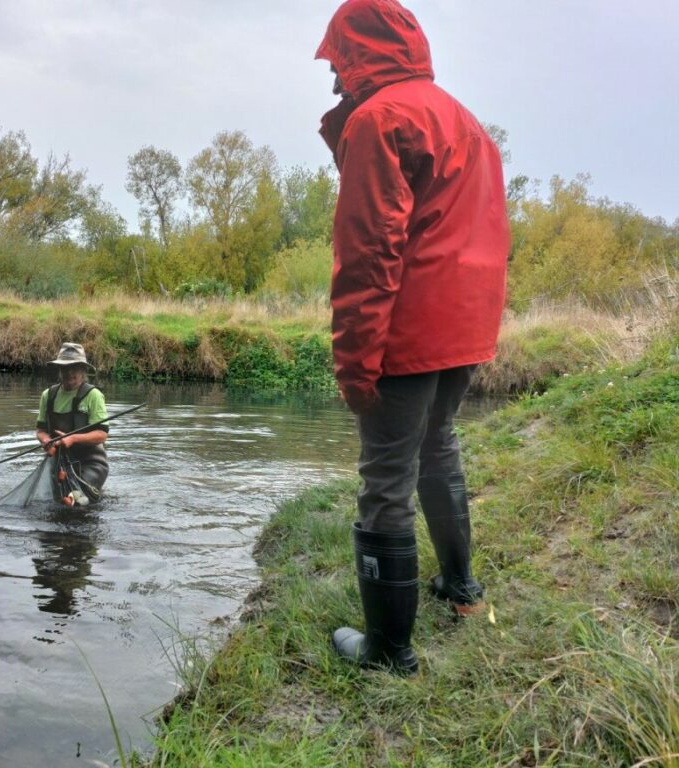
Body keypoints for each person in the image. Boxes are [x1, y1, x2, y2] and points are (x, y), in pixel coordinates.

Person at [315, 0, 510, 675]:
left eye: (338, 61)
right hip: (467, 323)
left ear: (360, 52)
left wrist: (355, 362)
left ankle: (389, 650)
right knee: (439, 449)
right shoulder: (461, 118)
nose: (335, 78)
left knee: (384, 480)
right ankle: (460, 588)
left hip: (409, 327)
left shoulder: (379, 119)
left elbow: (368, 254)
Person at [35, 343, 109, 506]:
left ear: (83, 370)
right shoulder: (48, 396)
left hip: (92, 462)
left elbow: (102, 434)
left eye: (74, 367)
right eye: (64, 368)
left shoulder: (93, 396)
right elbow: (40, 430)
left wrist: (73, 438)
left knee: (73, 501)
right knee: (59, 501)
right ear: (59, 370)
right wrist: (47, 441)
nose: (69, 372)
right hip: (60, 461)